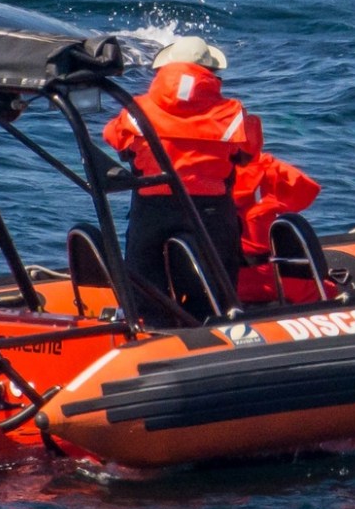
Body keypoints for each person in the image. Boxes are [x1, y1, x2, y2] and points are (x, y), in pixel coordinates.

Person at [102, 36, 261, 317]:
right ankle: (211, 328)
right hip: (209, 212)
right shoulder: (233, 113)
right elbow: (248, 154)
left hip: (151, 210)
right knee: (216, 292)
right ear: (211, 73)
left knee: (145, 288)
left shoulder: (136, 110)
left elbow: (118, 143)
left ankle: (153, 330)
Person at [230, 151, 323, 304]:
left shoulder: (195, 178)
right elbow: (306, 192)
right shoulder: (266, 167)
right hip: (268, 281)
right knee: (326, 290)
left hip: (220, 282)